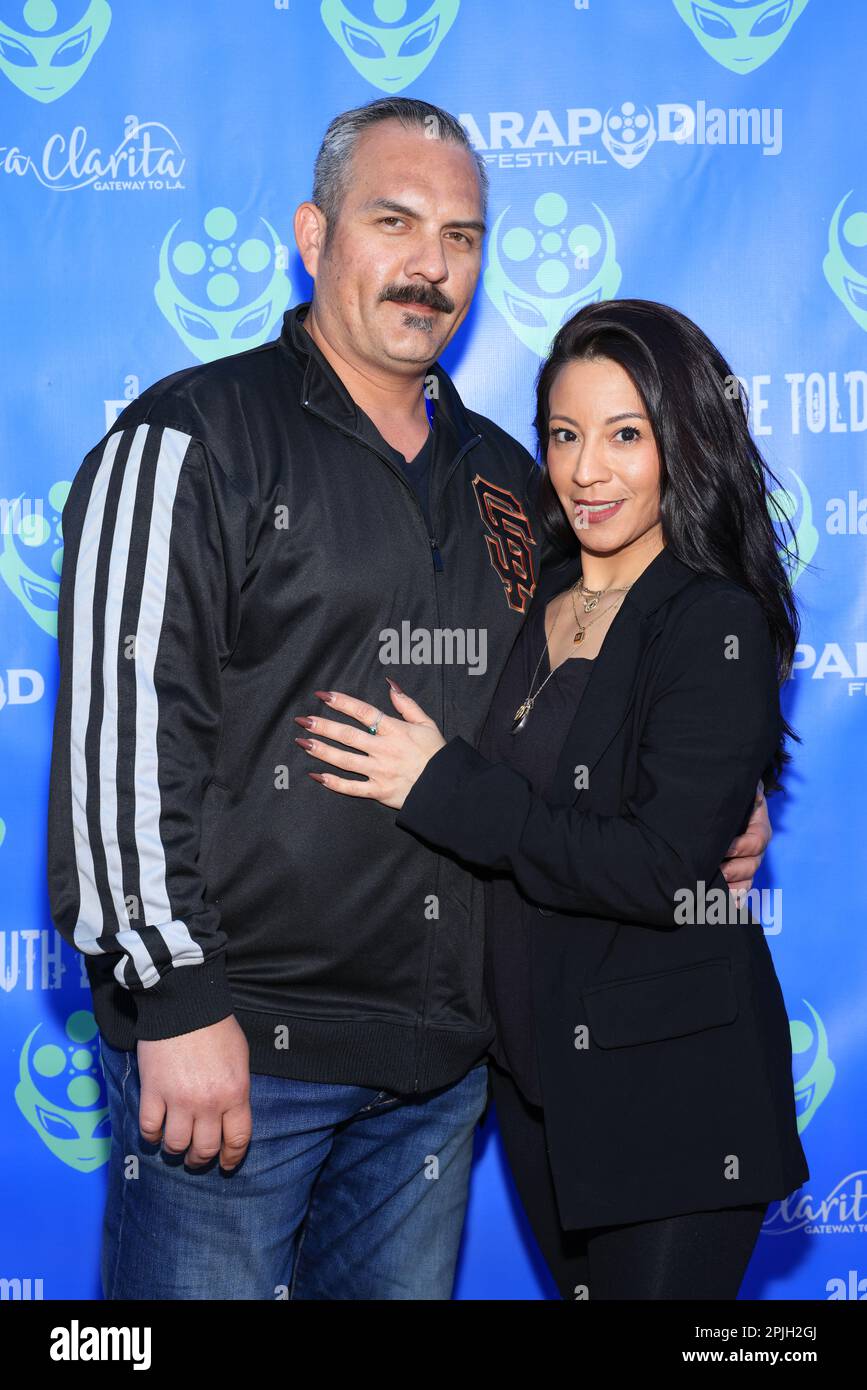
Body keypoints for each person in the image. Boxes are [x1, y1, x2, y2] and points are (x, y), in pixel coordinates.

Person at [46, 96, 770, 1301]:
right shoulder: (193, 436)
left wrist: (702, 805)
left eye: (464, 235)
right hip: (241, 1055)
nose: (432, 263)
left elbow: (595, 689)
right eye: (395, 220)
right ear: (313, 234)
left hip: (441, 1078)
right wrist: (171, 998)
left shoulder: (510, 479)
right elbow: (122, 734)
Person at [293, 297, 809, 1300]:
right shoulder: (534, 587)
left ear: (685, 443)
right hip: (540, 1094)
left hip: (674, 1093)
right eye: (566, 435)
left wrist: (441, 784)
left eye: (626, 435)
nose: (586, 470)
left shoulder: (710, 620)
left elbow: (660, 868)